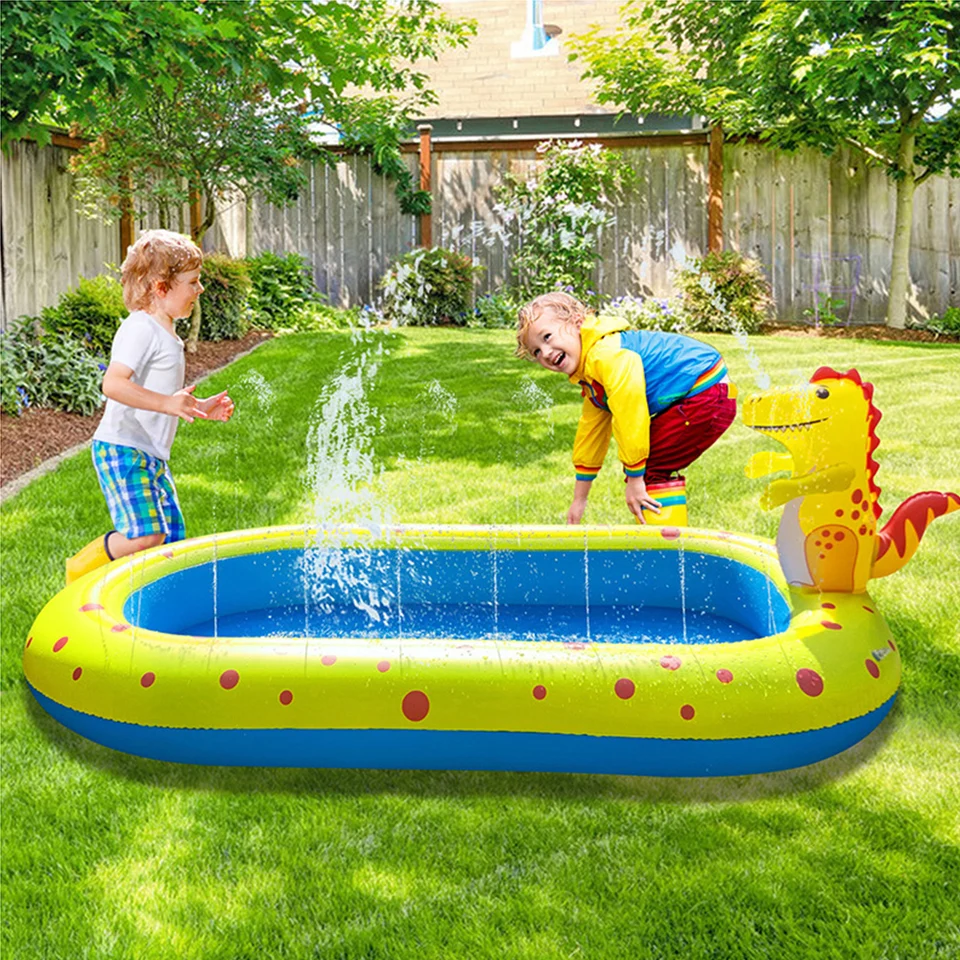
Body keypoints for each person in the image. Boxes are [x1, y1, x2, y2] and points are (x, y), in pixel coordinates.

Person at [65, 230, 235, 584]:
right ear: (161, 288)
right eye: (193, 282)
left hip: (151, 454)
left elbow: (163, 399)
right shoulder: (140, 328)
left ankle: (153, 608)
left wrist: (199, 406)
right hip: (122, 448)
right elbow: (112, 384)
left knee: (171, 540)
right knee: (146, 536)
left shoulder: (166, 334)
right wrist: (168, 403)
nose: (199, 290)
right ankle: (80, 570)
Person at [516, 291, 736, 526]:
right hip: (701, 393)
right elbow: (591, 435)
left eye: (547, 337)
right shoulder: (592, 375)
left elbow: (630, 410)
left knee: (649, 470)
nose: (546, 353)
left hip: (704, 393)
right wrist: (579, 499)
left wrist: (635, 477)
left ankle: (666, 550)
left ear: (577, 322)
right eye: (536, 351)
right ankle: (665, 543)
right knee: (647, 469)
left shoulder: (605, 356)